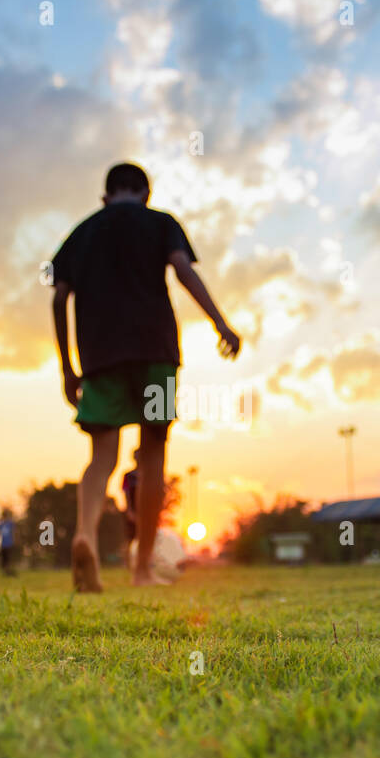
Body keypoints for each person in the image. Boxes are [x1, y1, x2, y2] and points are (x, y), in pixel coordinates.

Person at [51, 162, 240, 591]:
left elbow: (58, 299)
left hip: (100, 358)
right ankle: (142, 571)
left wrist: (67, 366)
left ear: (105, 196)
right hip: (156, 354)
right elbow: (183, 269)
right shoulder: (161, 223)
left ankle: (85, 536)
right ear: (145, 194)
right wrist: (220, 323)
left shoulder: (81, 234)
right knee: (153, 452)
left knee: (102, 458)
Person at [0, 510, 17, 577]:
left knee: (9, 559)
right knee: (3, 559)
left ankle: (9, 572)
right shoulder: (1, 524)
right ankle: (5, 572)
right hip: (3, 544)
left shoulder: (10, 524)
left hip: (9, 544)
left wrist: (14, 541)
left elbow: (13, 532)